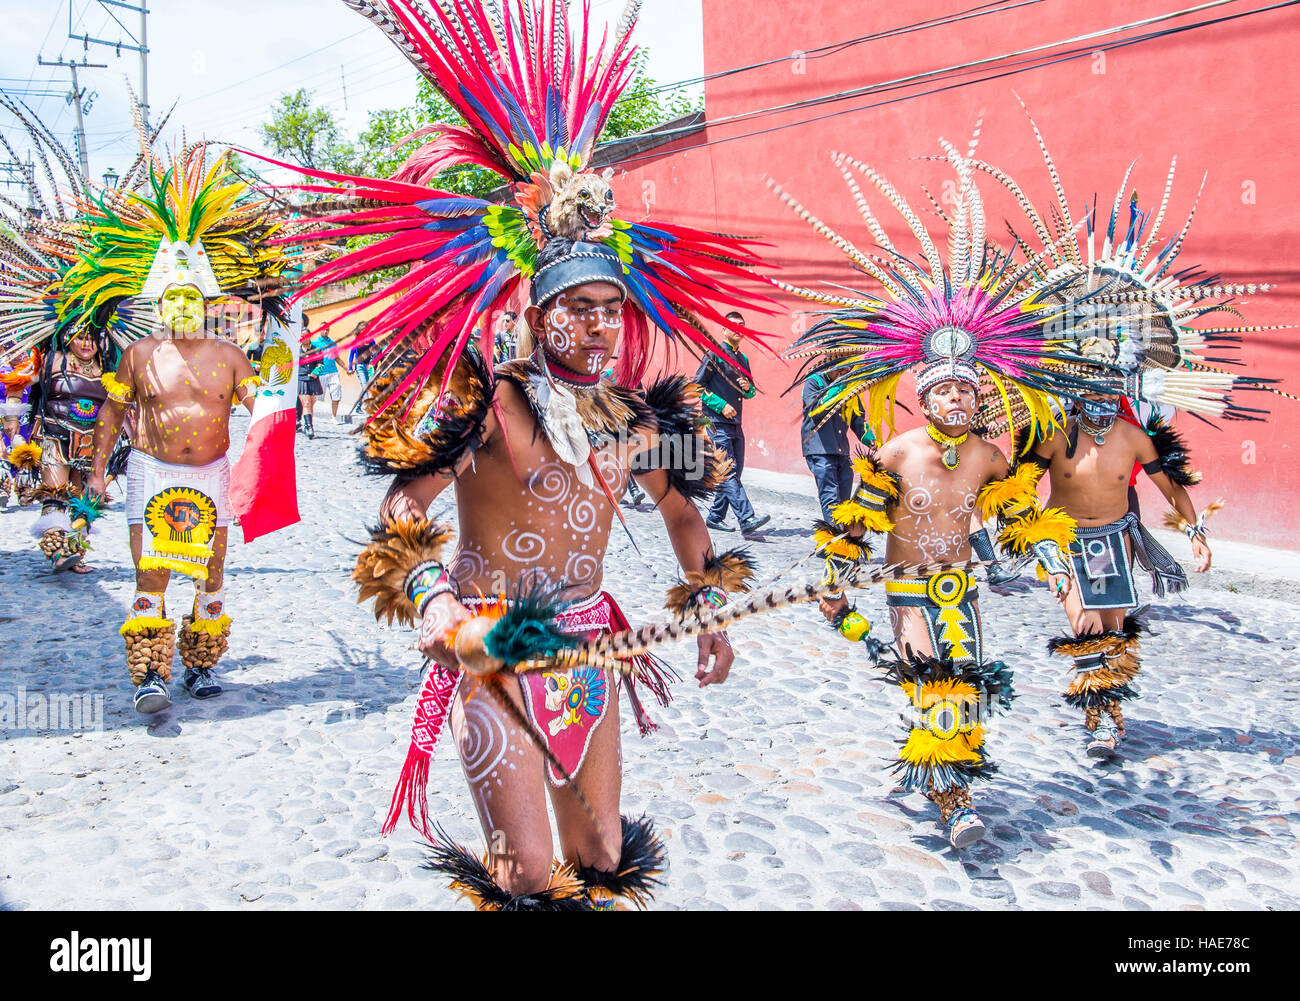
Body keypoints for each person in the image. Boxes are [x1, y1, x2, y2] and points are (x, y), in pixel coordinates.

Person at [274, 0, 772, 909]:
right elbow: (401, 505)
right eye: (574, 308)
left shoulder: (627, 416)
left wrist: (711, 612)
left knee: (604, 853)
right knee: (529, 873)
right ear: (538, 315)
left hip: (589, 649)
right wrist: (435, 603)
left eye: (608, 307)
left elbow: (681, 510)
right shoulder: (487, 401)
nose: (594, 324)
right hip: (491, 650)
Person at [774, 140, 1093, 849]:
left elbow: (1017, 521)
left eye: (963, 387)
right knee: (933, 678)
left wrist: (1059, 580)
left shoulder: (987, 453)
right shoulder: (897, 450)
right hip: (907, 585)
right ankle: (954, 800)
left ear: (976, 395)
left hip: (962, 585)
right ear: (924, 396)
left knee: (964, 684)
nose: (952, 395)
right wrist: (833, 581)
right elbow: (855, 521)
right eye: (941, 386)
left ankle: (938, 764)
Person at [67, 145, 286, 715]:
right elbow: (113, 414)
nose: (184, 305)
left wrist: (277, 385)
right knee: (152, 569)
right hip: (150, 468)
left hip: (210, 472)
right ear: (162, 301)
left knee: (211, 567)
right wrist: (95, 473)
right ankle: (149, 674)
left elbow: (257, 405)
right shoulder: (138, 355)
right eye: (175, 297)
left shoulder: (231, 356)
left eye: (193, 296)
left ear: (206, 300)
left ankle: (203, 663)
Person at [696, 311, 770, 535]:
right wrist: (720, 405)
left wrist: (748, 389)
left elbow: (750, 392)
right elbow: (697, 386)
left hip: (736, 423)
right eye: (733, 324)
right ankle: (746, 518)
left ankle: (715, 516)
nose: (738, 328)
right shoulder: (713, 354)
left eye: (742, 325)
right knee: (728, 470)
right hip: (715, 421)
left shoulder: (743, 359)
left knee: (735, 470)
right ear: (724, 329)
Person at [801, 371, 870, 522]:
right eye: (840, 369)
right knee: (830, 493)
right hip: (820, 448)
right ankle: (834, 535)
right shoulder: (813, 382)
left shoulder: (849, 386)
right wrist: (835, 390)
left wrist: (871, 439)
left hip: (841, 448)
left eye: (846, 371)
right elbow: (815, 411)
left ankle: (840, 531)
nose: (843, 373)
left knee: (845, 492)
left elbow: (857, 419)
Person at [309, 327, 345, 423]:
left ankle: (333, 417)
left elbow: (337, 358)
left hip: (333, 372)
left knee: (336, 391)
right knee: (317, 398)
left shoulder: (332, 343)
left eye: (327, 329)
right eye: (323, 329)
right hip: (320, 373)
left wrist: (346, 368)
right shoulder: (314, 343)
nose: (325, 331)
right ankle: (310, 417)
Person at [297, 329, 323, 439]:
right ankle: (309, 427)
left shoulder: (316, 350)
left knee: (311, 403)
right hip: (301, 378)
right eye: (303, 336)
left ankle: (306, 424)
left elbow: (321, 364)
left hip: (313, 379)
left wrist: (315, 372)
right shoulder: (295, 350)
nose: (305, 338)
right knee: (306, 403)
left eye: (307, 336)